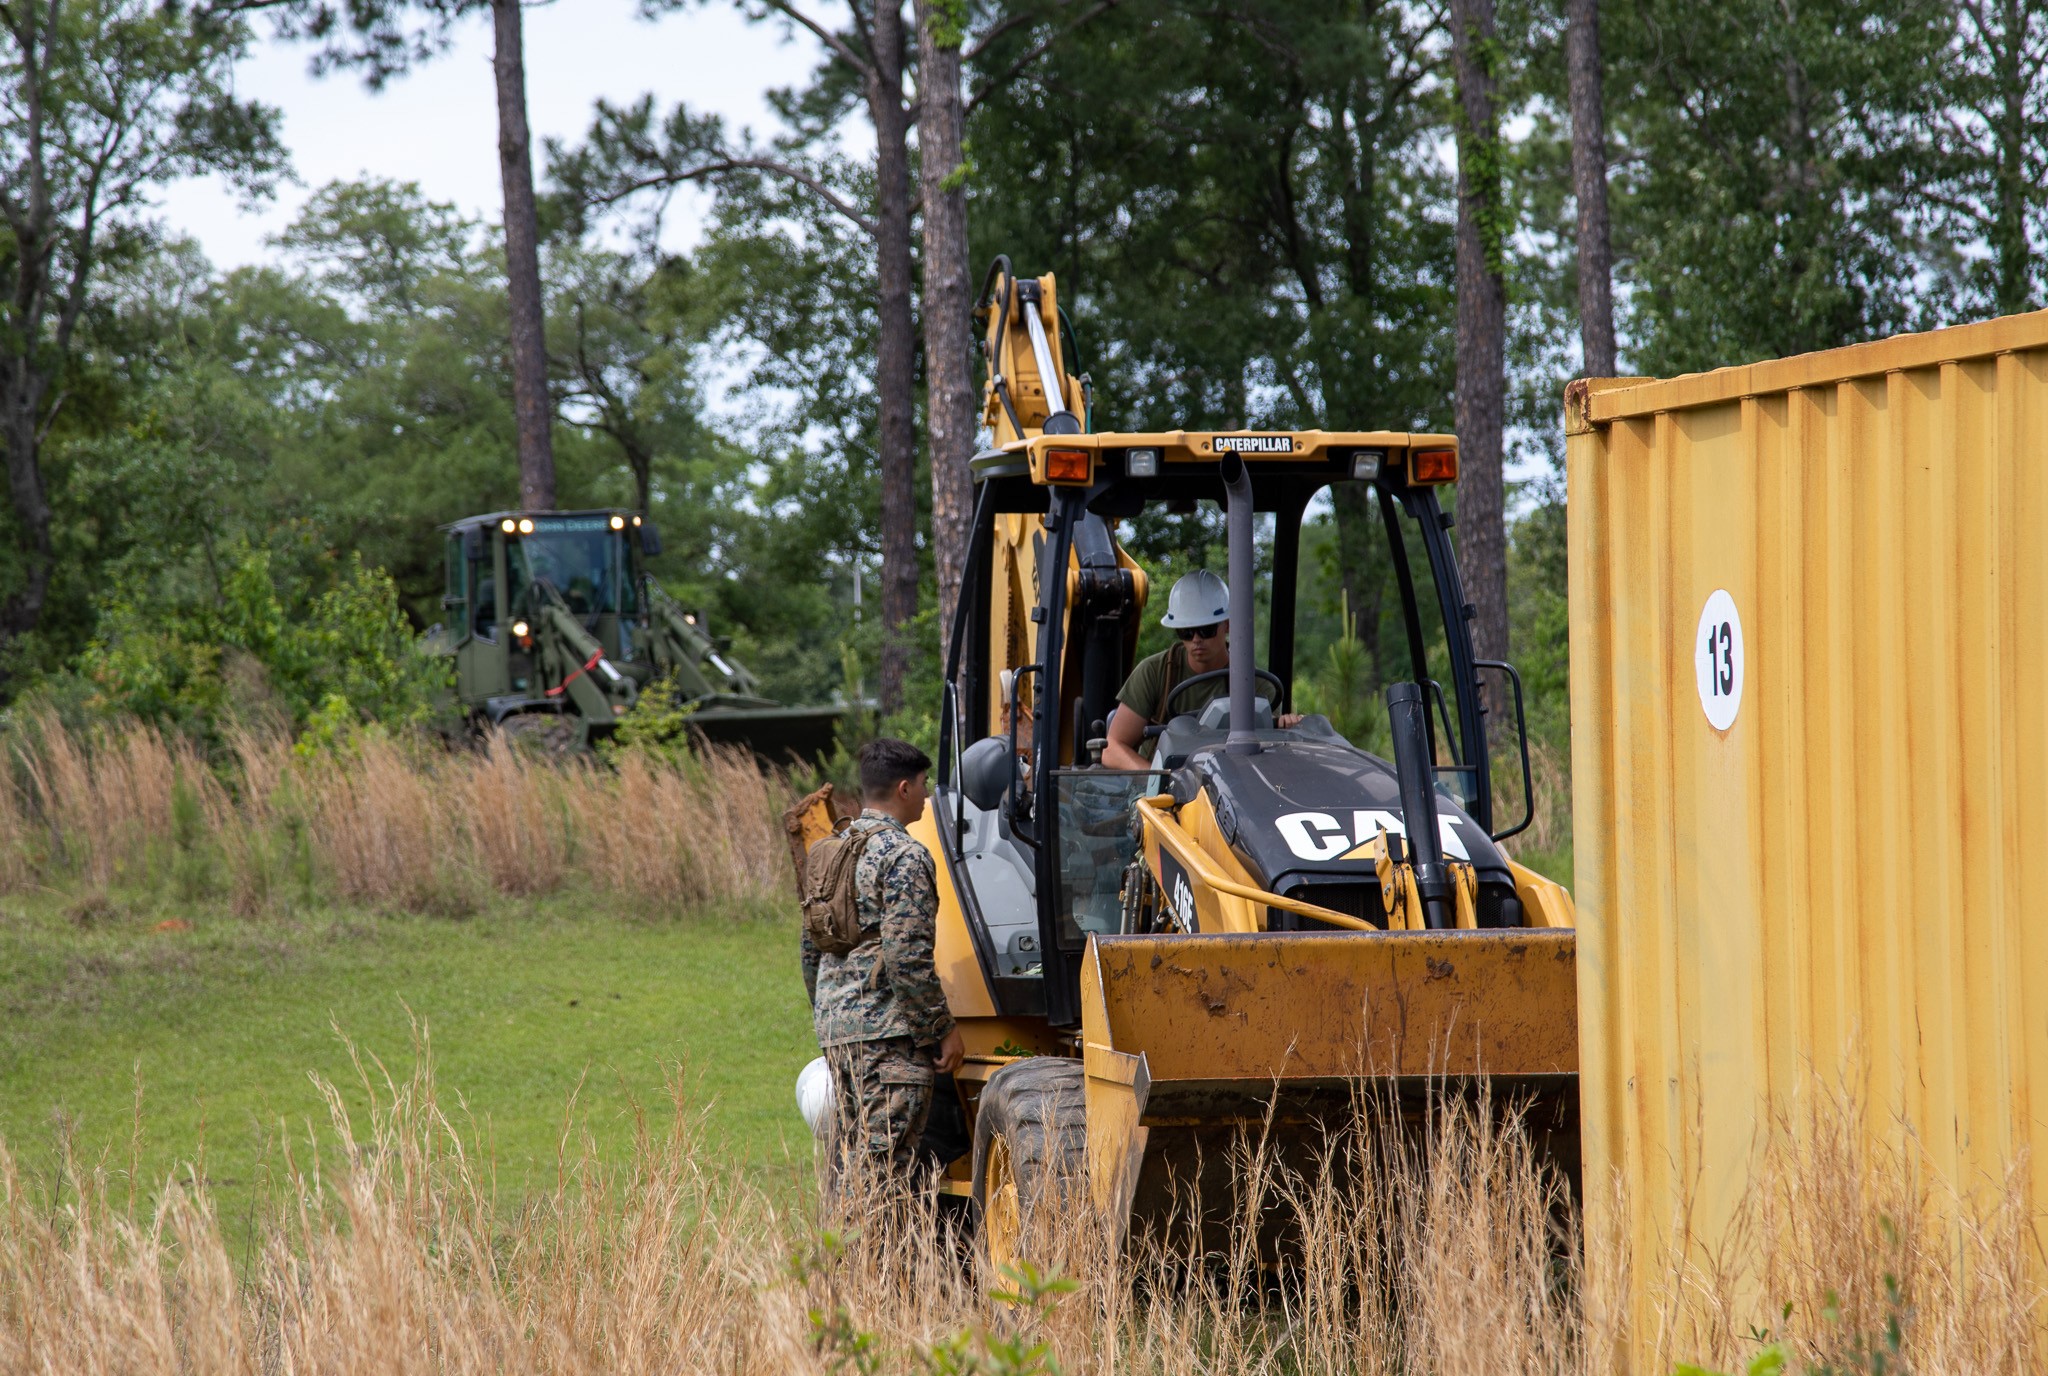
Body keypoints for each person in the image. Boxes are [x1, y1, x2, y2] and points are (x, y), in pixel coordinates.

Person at [800, 738, 966, 1193]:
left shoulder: (831, 852)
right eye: (923, 784)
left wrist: (833, 1014)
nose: (928, 795)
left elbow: (810, 950)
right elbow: (906, 957)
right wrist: (940, 1028)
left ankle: (846, 1263)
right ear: (905, 788)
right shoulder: (905, 856)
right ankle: (872, 1265)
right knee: (886, 1179)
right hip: (889, 1042)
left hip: (838, 1036)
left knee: (854, 1167)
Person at [1101, 570, 1302, 770]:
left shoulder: (1256, 684)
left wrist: (1287, 726)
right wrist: (1158, 780)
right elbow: (1113, 748)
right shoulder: (1154, 672)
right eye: (1186, 632)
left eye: (1206, 630)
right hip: (1161, 797)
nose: (1196, 639)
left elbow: (1270, 753)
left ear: (1228, 625)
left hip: (1227, 790)